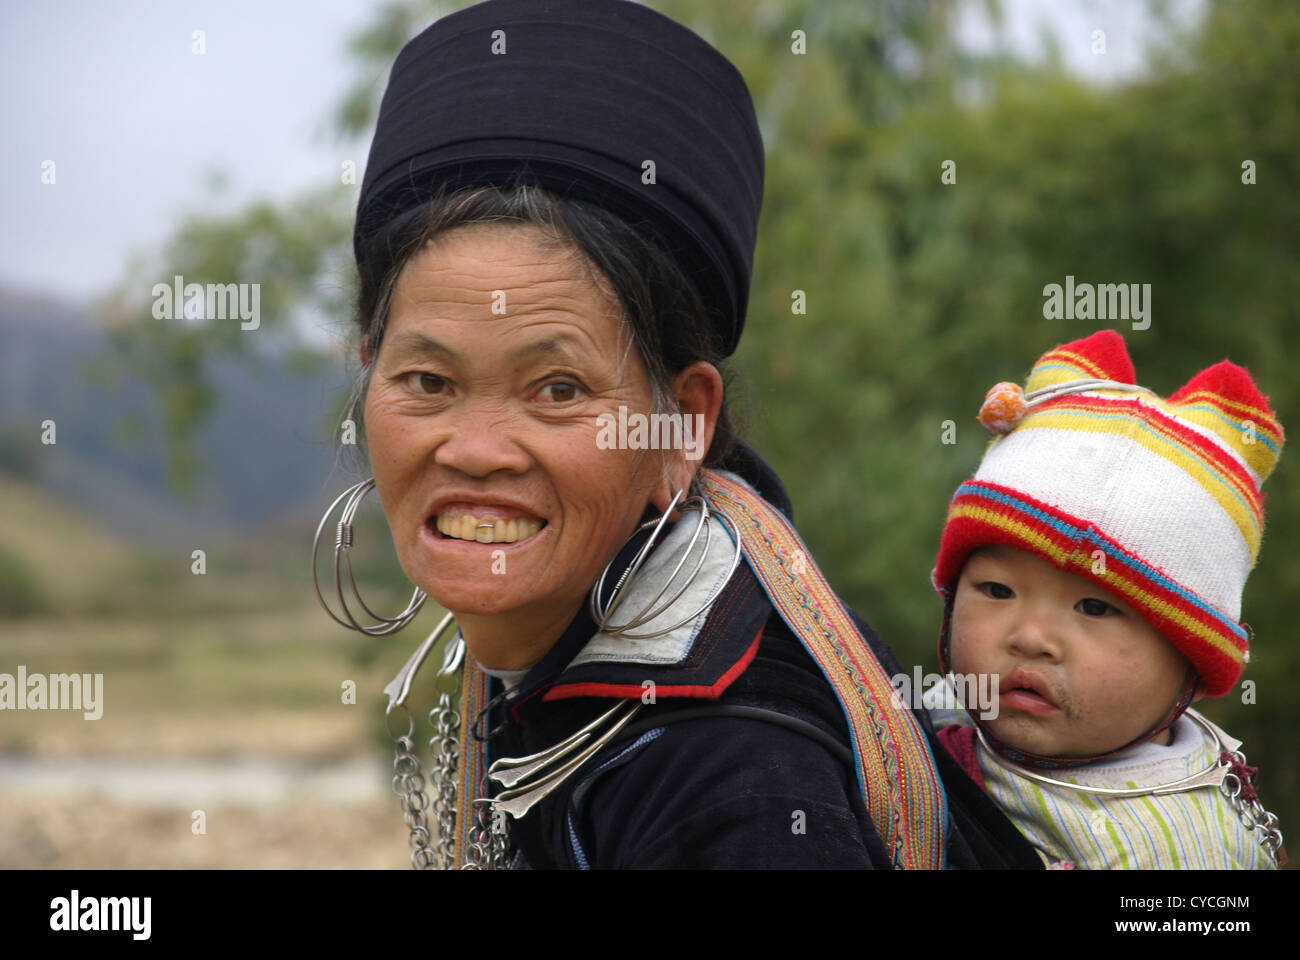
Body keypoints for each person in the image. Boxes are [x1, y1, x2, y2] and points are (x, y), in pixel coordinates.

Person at [316, 0, 1040, 869]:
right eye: (427, 382)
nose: (476, 450)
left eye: (556, 389)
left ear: (681, 424)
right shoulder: (559, 668)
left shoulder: (738, 785)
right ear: (368, 374)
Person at [925, 328, 1285, 869]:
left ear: (1190, 658)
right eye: (997, 591)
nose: (1029, 638)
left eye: (1094, 608)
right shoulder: (915, 722)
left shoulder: (1184, 854)